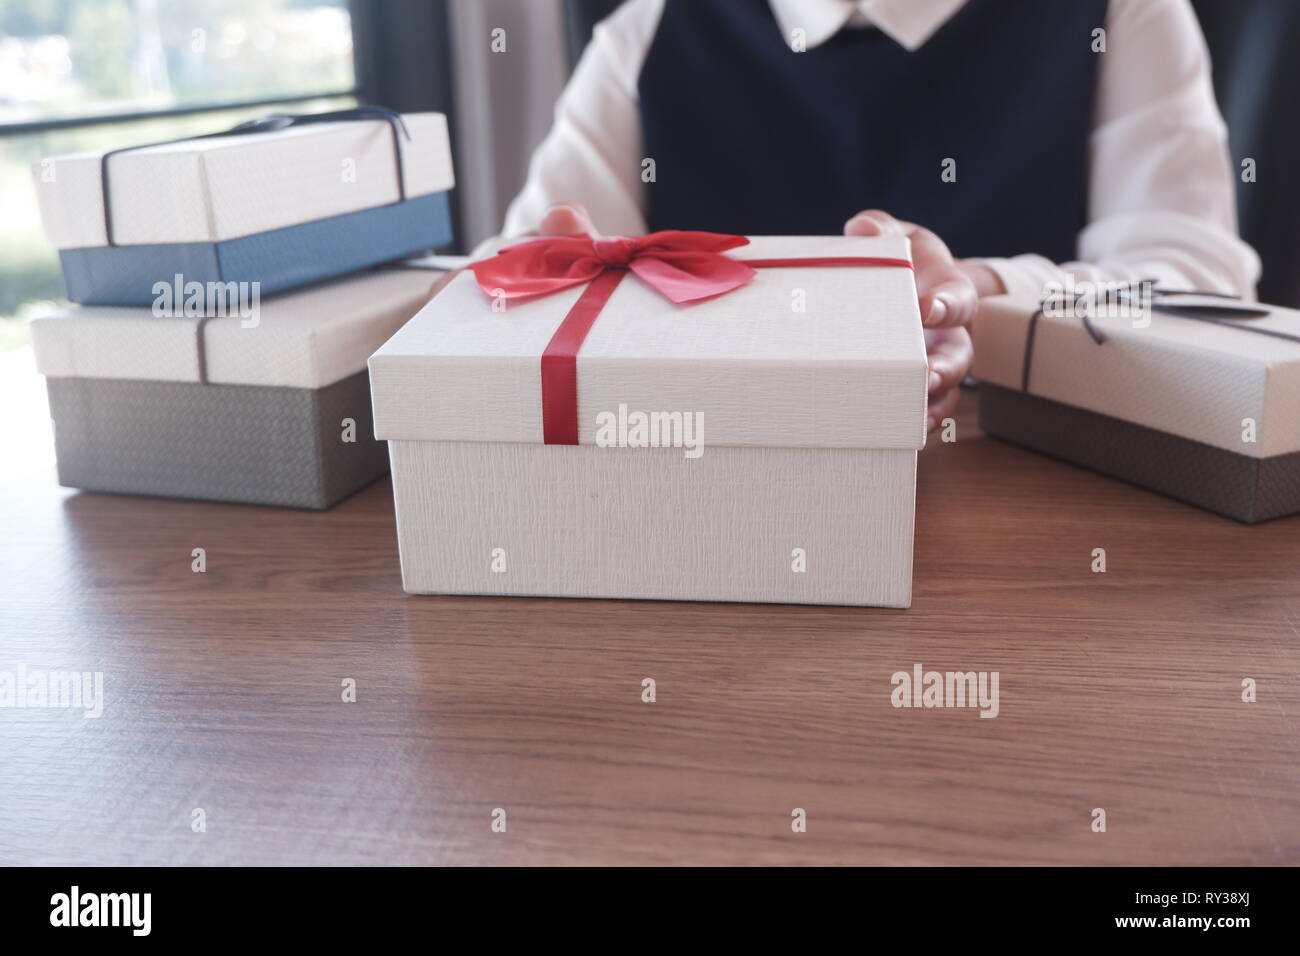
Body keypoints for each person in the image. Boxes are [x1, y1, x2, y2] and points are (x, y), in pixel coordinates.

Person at [497, 0, 1260, 431]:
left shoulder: (1123, 14)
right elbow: (525, 268)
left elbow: (1195, 285)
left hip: (1042, 516)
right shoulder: (645, 31)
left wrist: (979, 294)